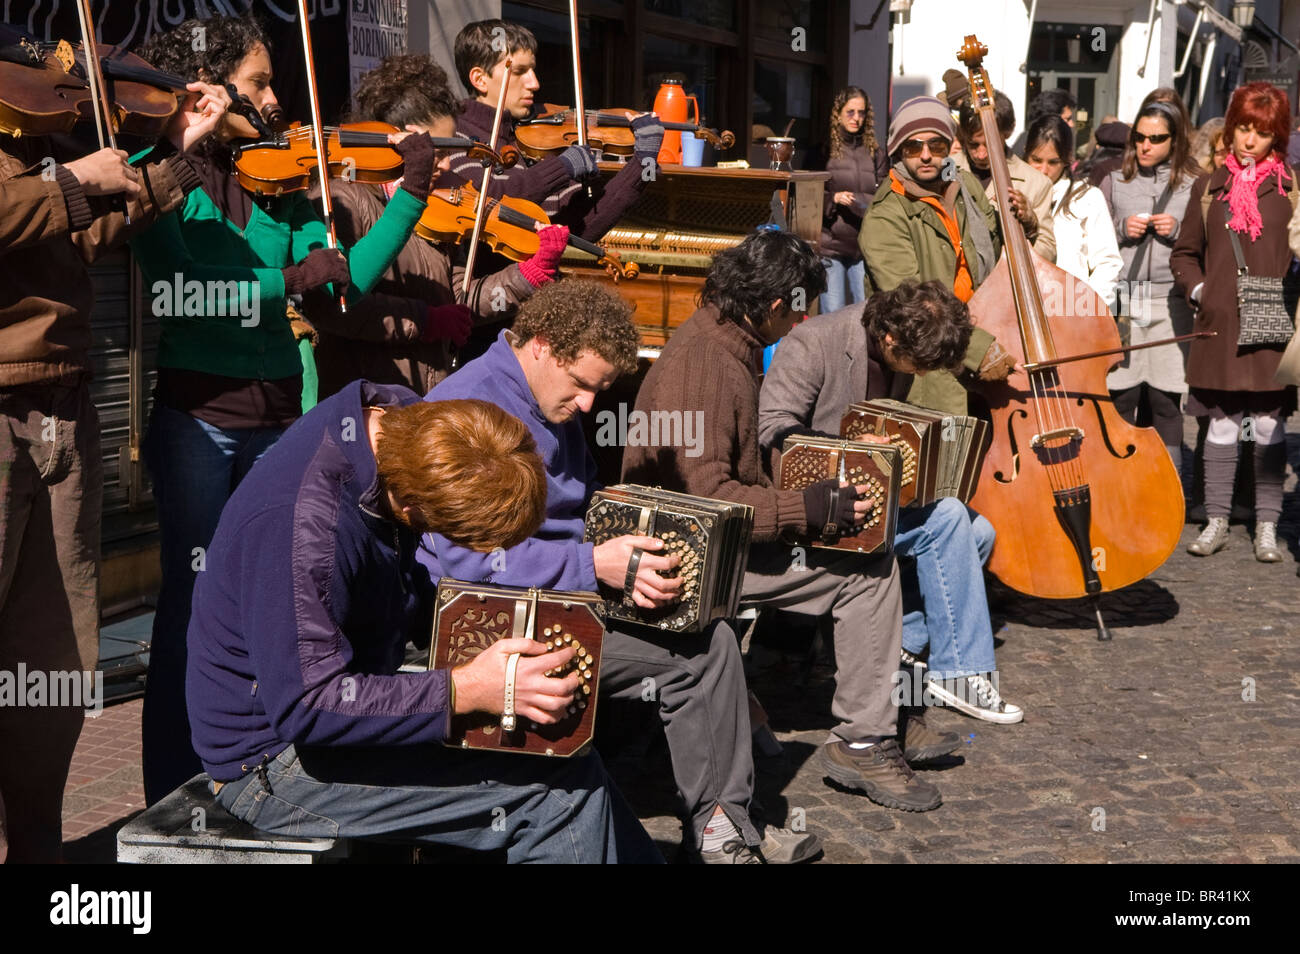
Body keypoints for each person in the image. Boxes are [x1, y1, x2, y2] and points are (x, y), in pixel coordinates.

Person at [131, 16, 435, 805]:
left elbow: (339, 283)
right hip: (199, 420)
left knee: (286, 603)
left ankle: (276, 773)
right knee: (191, 612)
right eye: (260, 82)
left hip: (277, 419)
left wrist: (410, 198)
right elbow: (181, 292)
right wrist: (285, 284)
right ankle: (175, 790)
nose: (275, 99)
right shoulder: (156, 170)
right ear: (211, 83)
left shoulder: (278, 173)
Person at [421, 279, 820, 862]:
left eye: (601, 390)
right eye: (583, 385)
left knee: (709, 627)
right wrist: (594, 563)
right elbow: (467, 564)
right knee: (700, 657)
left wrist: (640, 541)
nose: (588, 405)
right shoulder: (469, 409)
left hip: (557, 592)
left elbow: (578, 509)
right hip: (490, 620)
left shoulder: (548, 399)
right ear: (540, 344)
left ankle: (725, 825)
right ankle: (720, 832)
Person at [185, 379, 656, 862]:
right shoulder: (302, 527)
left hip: (338, 712)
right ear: (409, 507)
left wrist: (499, 635)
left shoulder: (400, 422)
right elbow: (307, 703)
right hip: (270, 764)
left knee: (568, 757)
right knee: (556, 797)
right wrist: (467, 689)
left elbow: (403, 586)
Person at [624, 229, 952, 813]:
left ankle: (873, 720)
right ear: (778, 305)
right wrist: (807, 508)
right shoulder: (706, 363)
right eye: (799, 309)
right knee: (867, 570)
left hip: (707, 541)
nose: (802, 322)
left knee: (865, 549)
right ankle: (862, 739)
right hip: (683, 558)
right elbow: (710, 498)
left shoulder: (724, 341)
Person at [0, 60, 228, 861]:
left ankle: (37, 849)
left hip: (64, 408)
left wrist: (172, 153)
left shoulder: (31, 136)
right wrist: (69, 184)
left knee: (57, 650)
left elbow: (77, 237)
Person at [758, 281, 1023, 725]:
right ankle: (961, 672)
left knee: (980, 532)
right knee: (950, 520)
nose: (919, 375)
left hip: (870, 496)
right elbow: (772, 430)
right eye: (916, 365)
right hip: (816, 505)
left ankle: (902, 641)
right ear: (889, 338)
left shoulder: (891, 344)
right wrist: (851, 449)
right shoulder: (814, 341)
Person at [308, 54, 570, 399]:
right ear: (400, 140)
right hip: (364, 401)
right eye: (436, 149)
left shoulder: (441, 206)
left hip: (429, 398)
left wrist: (527, 276)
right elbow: (333, 308)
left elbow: (461, 304)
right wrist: (424, 321)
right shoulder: (342, 196)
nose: (447, 164)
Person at [1171, 82, 1297, 562]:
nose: (1248, 140)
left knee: (1267, 427)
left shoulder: (1290, 186)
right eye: (1243, 128)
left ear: (1276, 137)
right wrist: (1201, 290)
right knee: (1221, 427)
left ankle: (1267, 526)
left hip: (1272, 325)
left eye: (1261, 132)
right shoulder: (1209, 187)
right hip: (1219, 327)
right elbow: (1185, 254)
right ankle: (1217, 519)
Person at [861, 96, 1015, 416]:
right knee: (943, 456)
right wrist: (979, 349)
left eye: (937, 145)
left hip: (985, 330)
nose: (927, 155)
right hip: (930, 358)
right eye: (914, 147)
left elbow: (997, 252)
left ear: (949, 145)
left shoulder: (965, 184)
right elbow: (913, 307)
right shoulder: (885, 214)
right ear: (899, 151)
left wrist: (1023, 223)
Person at [448, 20, 662, 244]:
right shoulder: (457, 138)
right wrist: (563, 167)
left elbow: (580, 232)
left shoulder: (529, 141)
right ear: (480, 79)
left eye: (533, 70)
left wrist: (642, 163)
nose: (535, 83)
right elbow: (484, 200)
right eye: (519, 71)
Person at [1100, 98, 1201, 484]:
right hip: (1129, 296)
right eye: (1139, 137)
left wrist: (1178, 229)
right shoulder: (1113, 179)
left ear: (1175, 141)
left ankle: (1167, 488)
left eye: (1156, 139)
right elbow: (1093, 237)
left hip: (1171, 298)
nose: (1144, 146)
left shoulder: (1194, 185)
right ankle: (1120, 485)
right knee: (1121, 395)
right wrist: (1121, 227)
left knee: (1165, 400)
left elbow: (1203, 244)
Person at [1026, 115, 1123, 307]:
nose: (1043, 170)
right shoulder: (1013, 192)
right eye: (1036, 160)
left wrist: (1089, 309)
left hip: (1071, 311)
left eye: (1053, 162)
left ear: (1067, 159)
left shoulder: (1087, 198)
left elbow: (1107, 262)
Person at [808, 86, 889, 312]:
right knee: (833, 314)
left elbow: (885, 196)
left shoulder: (876, 153)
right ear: (839, 114)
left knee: (866, 311)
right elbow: (808, 195)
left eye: (861, 113)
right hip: (830, 245)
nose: (856, 118)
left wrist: (862, 201)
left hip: (863, 245)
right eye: (850, 112)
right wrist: (833, 198)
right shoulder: (823, 151)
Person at [956, 91, 1057, 263]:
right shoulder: (946, 169)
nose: (981, 154)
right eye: (973, 144)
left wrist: (1029, 225)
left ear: (1008, 132)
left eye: (989, 144)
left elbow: (1047, 253)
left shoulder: (1036, 183)